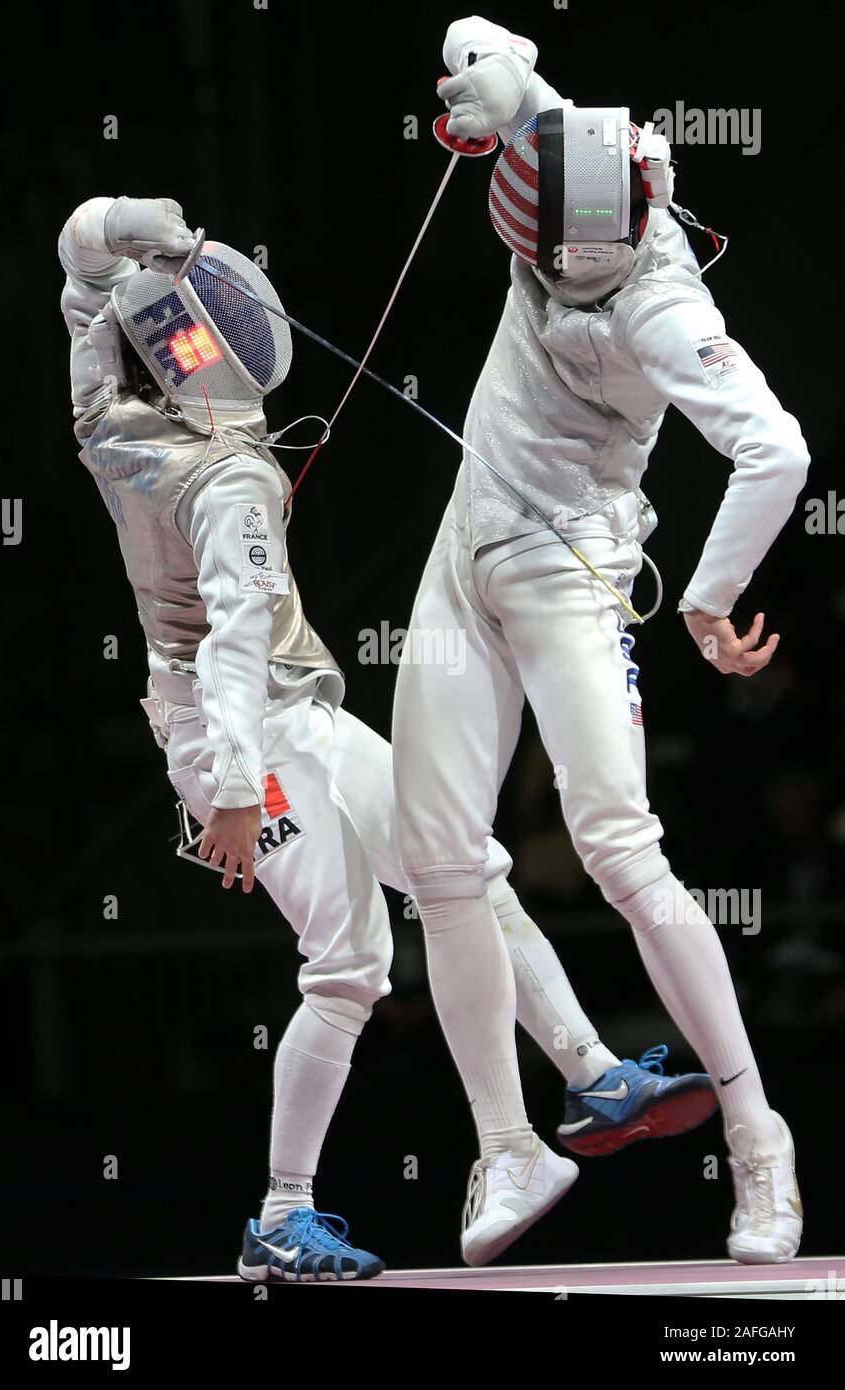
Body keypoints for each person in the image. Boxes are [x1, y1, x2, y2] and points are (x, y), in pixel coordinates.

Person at [59, 194, 715, 1279]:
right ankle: (279, 1216)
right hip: (235, 734)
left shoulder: (103, 420)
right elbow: (227, 641)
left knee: (461, 869)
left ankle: (592, 1075)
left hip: (293, 716)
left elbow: (82, 272)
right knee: (350, 964)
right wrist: (230, 789)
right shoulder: (231, 482)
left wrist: (132, 226)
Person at [392, 14, 808, 1267]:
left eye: (576, 267)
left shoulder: (663, 308)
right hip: (461, 557)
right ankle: (509, 1143)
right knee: (433, 856)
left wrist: (700, 595)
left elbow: (775, 449)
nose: (556, 279)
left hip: (566, 569)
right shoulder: (566, 150)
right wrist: (481, 76)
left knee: (618, 847)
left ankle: (755, 1137)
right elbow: (500, 58)